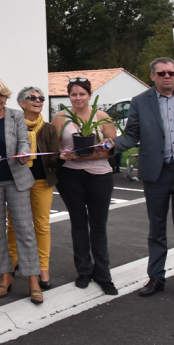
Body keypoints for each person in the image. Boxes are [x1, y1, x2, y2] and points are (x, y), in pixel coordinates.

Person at [111, 57, 174, 301]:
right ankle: (156, 277)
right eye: (162, 73)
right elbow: (132, 135)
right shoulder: (139, 102)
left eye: (172, 73)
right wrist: (106, 145)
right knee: (156, 229)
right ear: (153, 76)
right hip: (155, 174)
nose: (168, 76)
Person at [53, 78, 119, 296]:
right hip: (70, 175)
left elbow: (112, 146)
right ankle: (83, 270)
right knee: (78, 223)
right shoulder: (61, 118)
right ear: (69, 97)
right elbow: (53, 149)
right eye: (74, 94)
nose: (78, 98)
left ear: (90, 95)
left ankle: (103, 274)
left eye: (82, 94)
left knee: (99, 225)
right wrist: (62, 155)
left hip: (99, 175)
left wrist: (94, 153)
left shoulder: (101, 117)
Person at [0, 78, 44, 305]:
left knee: (25, 231)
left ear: (7, 97)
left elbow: (24, 141)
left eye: (0, 95)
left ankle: (33, 280)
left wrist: (24, 152)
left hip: (17, 179)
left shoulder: (16, 116)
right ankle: (5, 276)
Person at [8, 85, 61, 289]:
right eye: (33, 98)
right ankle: (13, 264)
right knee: (14, 224)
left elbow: (54, 159)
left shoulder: (48, 128)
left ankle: (43, 268)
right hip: (17, 181)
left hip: (41, 182)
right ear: (22, 103)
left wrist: (62, 158)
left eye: (41, 98)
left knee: (41, 225)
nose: (38, 100)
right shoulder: (12, 125)